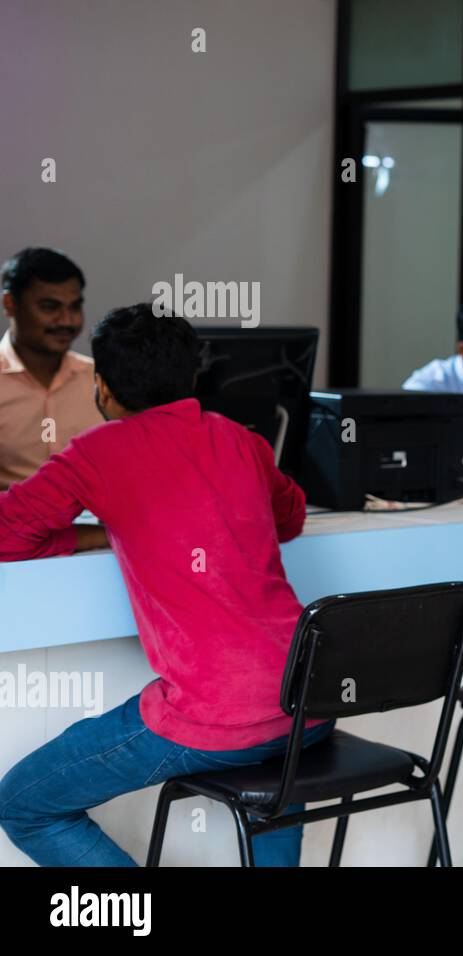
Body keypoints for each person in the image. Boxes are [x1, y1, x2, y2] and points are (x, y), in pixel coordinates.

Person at [0, 304, 334, 866]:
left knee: (23, 805)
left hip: (213, 717)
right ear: (192, 378)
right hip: (307, 704)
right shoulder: (241, 440)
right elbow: (291, 518)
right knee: (276, 801)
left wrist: (96, 534)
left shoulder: (96, 455)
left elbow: (8, 534)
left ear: (102, 386)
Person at [0, 247, 100, 490]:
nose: (67, 321)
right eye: (49, 307)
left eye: (75, 307)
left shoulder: (101, 380)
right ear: (10, 304)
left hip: (92, 527)